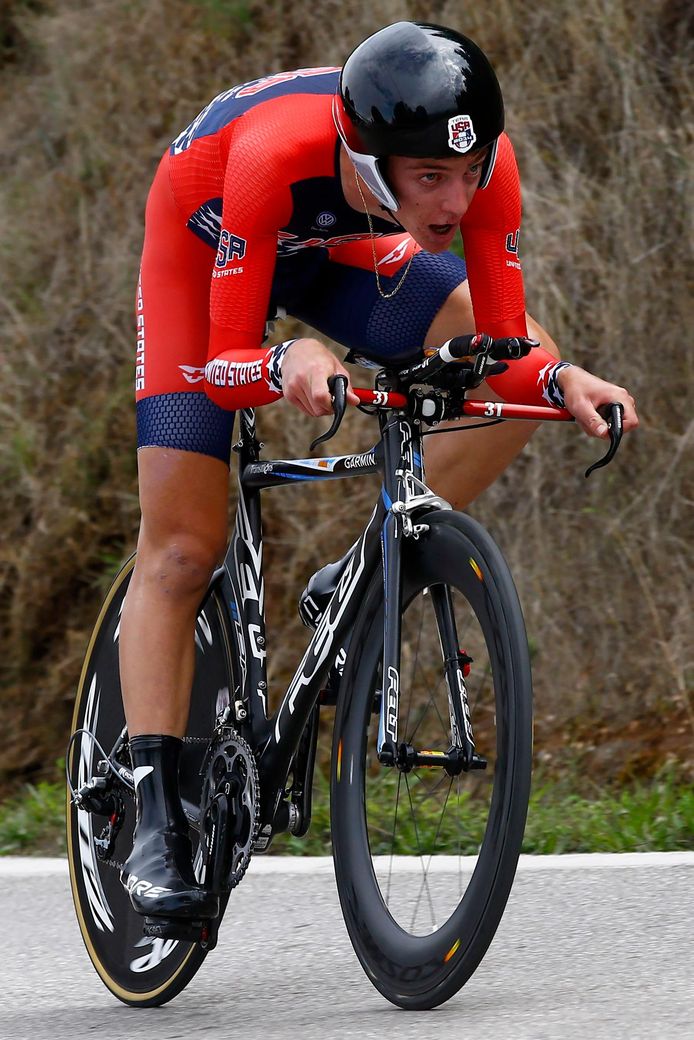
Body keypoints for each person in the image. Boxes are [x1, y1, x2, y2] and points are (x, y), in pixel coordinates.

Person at [120, 21, 638, 919]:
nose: (456, 201)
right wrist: (285, 358)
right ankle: (155, 817)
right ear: (371, 157)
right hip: (205, 256)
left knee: (526, 350)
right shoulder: (275, 153)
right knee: (182, 548)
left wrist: (561, 380)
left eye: (468, 174)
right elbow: (223, 364)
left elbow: (503, 348)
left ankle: (366, 567)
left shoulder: (480, 168)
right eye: (431, 177)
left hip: (337, 247)